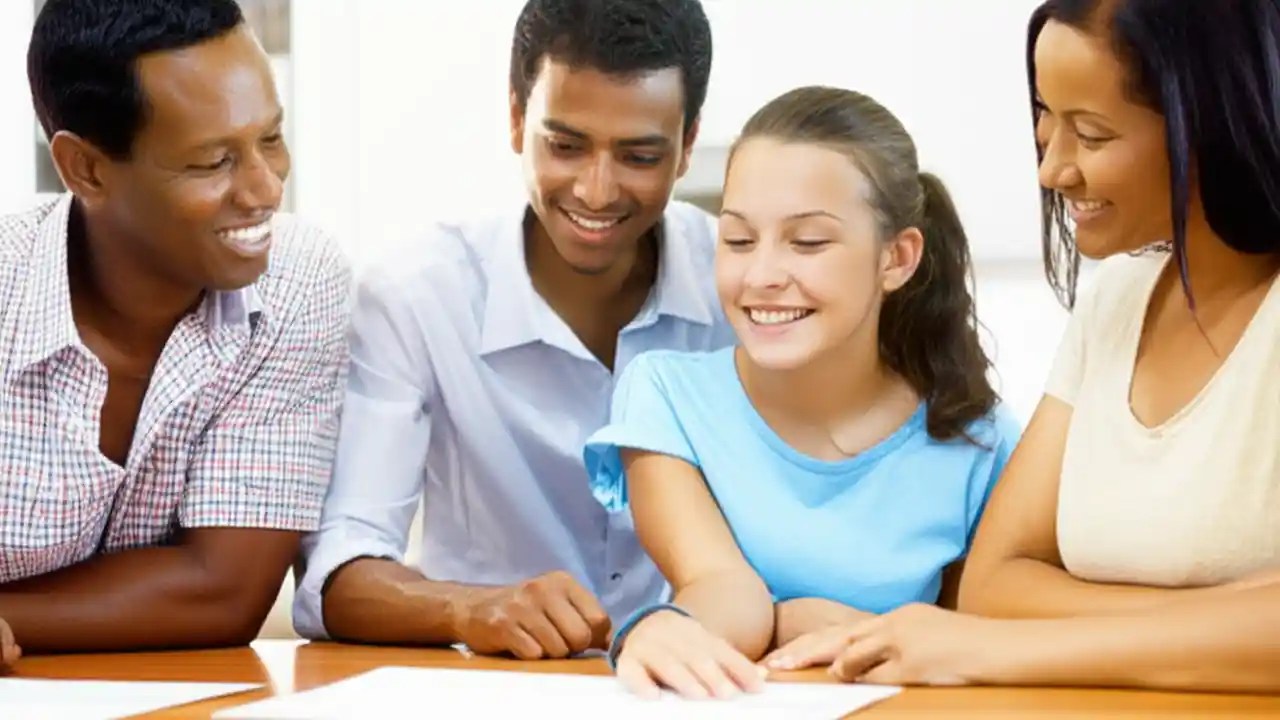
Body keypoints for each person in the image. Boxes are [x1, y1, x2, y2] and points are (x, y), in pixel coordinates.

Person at [769, 0, 1280, 693]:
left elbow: (988, 627)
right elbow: (994, 582)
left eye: (1092, 135)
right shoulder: (1115, 301)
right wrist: (1229, 622)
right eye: (1046, 116)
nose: (1052, 168)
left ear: (1211, 122)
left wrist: (995, 651)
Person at [293, 0, 733, 661]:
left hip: (702, 682)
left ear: (687, 145)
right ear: (516, 118)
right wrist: (468, 608)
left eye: (639, 155)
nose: (596, 189)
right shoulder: (418, 295)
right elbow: (337, 573)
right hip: (489, 688)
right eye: (565, 145)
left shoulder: (741, 288)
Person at [582, 85, 1021, 699]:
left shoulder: (982, 441)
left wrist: (843, 629)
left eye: (808, 242)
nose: (761, 275)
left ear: (896, 258)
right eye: (738, 240)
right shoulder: (665, 395)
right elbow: (720, 584)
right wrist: (664, 627)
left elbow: (981, 645)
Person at [0, 0, 350, 653]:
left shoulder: (298, 283)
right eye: (213, 162)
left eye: (270, 138)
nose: (264, 188)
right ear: (86, 169)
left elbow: (223, 594)